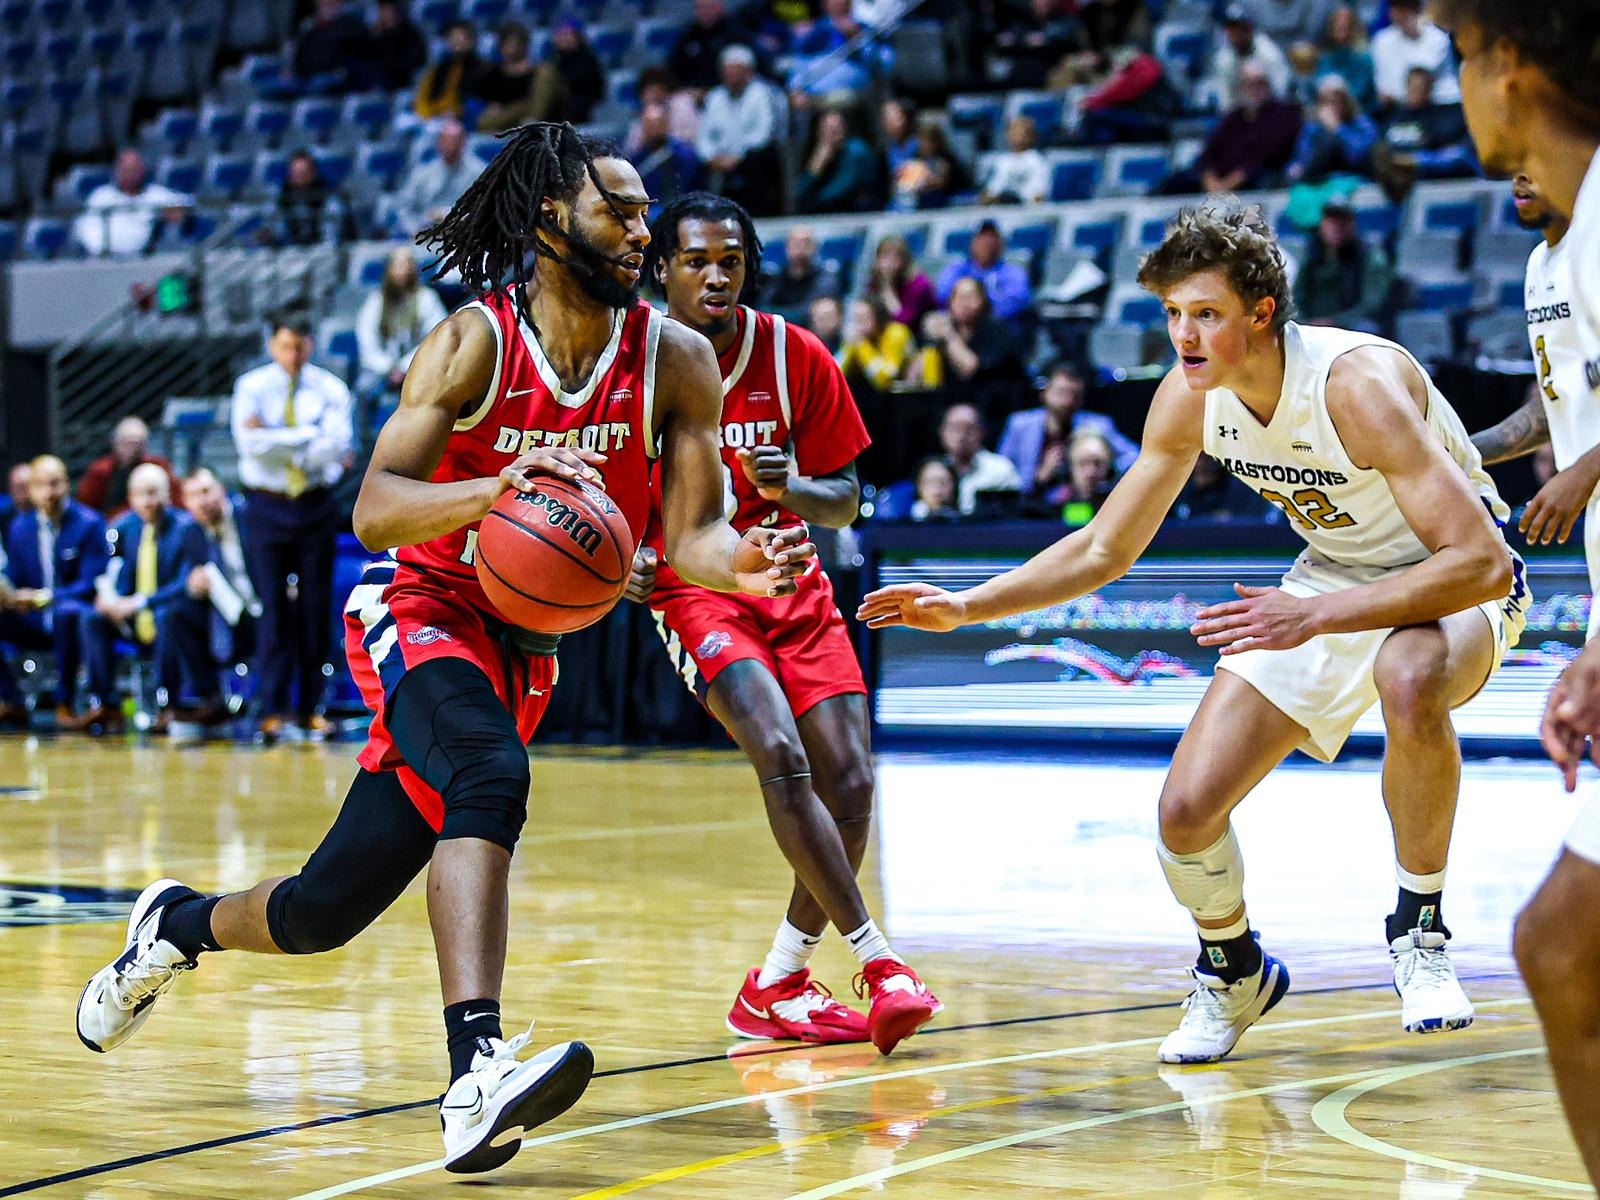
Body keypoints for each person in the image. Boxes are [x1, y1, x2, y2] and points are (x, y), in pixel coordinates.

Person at [76, 125, 818, 1175]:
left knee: (323, 911)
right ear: (554, 218)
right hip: (419, 599)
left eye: (649, 210)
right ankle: (475, 1075)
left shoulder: (676, 359)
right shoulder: (474, 343)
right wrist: (494, 489)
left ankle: (177, 927)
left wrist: (742, 566)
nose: (646, 231)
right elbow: (374, 511)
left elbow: (691, 537)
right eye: (624, 209)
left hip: (523, 645)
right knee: (488, 774)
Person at [860, 204, 1527, 1065]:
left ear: (1261, 310)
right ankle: (1235, 968)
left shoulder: (1350, 385)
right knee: (1185, 811)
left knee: (1408, 673)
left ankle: (1420, 931)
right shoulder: (1191, 395)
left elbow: (1476, 560)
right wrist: (967, 604)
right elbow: (1104, 545)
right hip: (1334, 574)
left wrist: (1312, 615)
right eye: (1172, 313)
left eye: (1204, 313)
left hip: (1452, 579)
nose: (1183, 334)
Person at [625, 191, 940, 1054]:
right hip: (699, 594)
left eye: (730, 260)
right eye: (696, 260)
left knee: (854, 783)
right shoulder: (633, 368)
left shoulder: (794, 353)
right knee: (783, 753)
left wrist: (790, 486)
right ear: (663, 270)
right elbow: (590, 490)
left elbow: (844, 498)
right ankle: (878, 962)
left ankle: (778, 982)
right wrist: (622, 562)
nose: (715, 275)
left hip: (796, 583)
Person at [1442, 9, 1600, 1179]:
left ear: (1508, 65)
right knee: (1560, 953)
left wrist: (1585, 473)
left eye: (1456, 55)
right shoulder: (1563, 257)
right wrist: (1459, 451)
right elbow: (1554, 413)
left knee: (1557, 950)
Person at [1472, 178, 1595, 621]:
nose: (1520, 177)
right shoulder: (1540, 264)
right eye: (1513, 165)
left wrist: (1583, 469)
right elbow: (1556, 401)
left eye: (1534, 158)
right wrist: (1458, 452)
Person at [229, 312, 354, 741]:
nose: (292, 355)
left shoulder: (331, 389)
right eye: (284, 346)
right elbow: (249, 446)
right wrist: (307, 436)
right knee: (274, 611)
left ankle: (309, 709)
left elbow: (337, 447)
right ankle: (273, 709)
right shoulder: (251, 387)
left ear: (311, 345)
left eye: (299, 346)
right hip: (266, 505)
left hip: (316, 504)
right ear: (272, 346)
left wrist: (277, 436)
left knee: (316, 610)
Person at [82, 464, 217, 733]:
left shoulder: (186, 527)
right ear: (130, 497)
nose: (147, 501)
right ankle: (106, 704)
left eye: (153, 493)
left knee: (168, 615)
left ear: (168, 494)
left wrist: (142, 601)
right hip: (133, 617)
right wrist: (109, 599)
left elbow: (184, 583)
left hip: (174, 616)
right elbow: (111, 572)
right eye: (140, 494)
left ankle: (169, 704)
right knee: (92, 619)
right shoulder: (123, 527)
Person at [0, 457, 107, 730]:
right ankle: (12, 700)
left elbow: (91, 582)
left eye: (55, 484)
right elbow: (15, 575)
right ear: (31, 490)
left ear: (67, 484)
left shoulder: (90, 523)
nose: (49, 492)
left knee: (66, 613)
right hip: (33, 619)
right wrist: (9, 594)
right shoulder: (19, 527)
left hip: (74, 615)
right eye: (41, 485)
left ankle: (65, 702)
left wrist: (46, 597)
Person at [1000, 362, 1138, 502]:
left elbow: (1133, 456)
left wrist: (1105, 470)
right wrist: (1040, 475)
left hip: (1086, 501)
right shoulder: (1019, 425)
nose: (1068, 400)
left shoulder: (1098, 424)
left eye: (1075, 394)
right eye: (1062, 392)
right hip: (1031, 505)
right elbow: (1003, 469)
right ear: (1044, 392)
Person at [1164, 63, 1301, 195]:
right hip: (1216, 182)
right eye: (1248, 84)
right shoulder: (1233, 117)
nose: (1254, 89)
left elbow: (1270, 156)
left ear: (1268, 84)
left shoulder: (1283, 116)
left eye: (1259, 83)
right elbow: (1208, 154)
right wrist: (1210, 179)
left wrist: (1230, 183)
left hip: (1254, 182)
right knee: (1174, 183)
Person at [914, 277, 1030, 419]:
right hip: (946, 410)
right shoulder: (942, 334)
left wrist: (948, 335)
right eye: (959, 297)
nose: (964, 303)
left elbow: (970, 369)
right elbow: (914, 377)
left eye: (970, 297)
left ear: (983, 302)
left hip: (990, 410)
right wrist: (930, 340)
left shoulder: (997, 331)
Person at [182, 468, 262, 673]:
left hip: (262, 608)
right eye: (193, 496)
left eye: (206, 491)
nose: (202, 501)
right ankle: (208, 695)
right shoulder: (191, 533)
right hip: (224, 618)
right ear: (185, 503)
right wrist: (193, 584)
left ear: (223, 490)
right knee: (175, 616)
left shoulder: (251, 517)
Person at [356, 249, 449, 411]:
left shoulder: (427, 298)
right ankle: (363, 436)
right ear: (389, 269)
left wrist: (404, 367)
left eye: (407, 263)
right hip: (382, 369)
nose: (403, 269)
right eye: (398, 264)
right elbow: (367, 342)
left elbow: (435, 337)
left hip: (419, 366)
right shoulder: (376, 301)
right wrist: (389, 367)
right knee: (362, 389)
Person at [695, 45, 783, 216]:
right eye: (727, 70)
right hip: (721, 158)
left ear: (748, 71)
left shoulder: (762, 93)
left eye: (736, 70)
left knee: (759, 160)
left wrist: (737, 157)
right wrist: (710, 156)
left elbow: (763, 133)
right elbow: (704, 136)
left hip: (750, 156)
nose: (730, 75)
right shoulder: (715, 97)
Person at [1372, 66, 1476, 200]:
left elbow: (1451, 155)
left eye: (1422, 87)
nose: (1417, 91)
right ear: (1407, 87)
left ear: (1430, 89)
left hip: (1424, 178)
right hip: (1390, 177)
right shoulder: (1392, 117)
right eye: (1414, 87)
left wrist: (1413, 161)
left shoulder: (1441, 118)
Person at [1293, 197, 1394, 329]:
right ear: (1322, 224)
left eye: (1342, 220)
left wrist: (1335, 322)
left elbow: (1372, 304)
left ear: (1352, 224)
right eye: (1331, 220)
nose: (1336, 226)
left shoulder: (1370, 256)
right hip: (1312, 325)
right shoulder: (1311, 256)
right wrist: (1303, 321)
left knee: (1367, 328)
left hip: (1351, 325)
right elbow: (1297, 298)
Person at [72, 149, 191, 258]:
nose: (130, 174)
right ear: (118, 171)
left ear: (142, 171)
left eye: (134, 170)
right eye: (126, 170)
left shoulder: (155, 195)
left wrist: (174, 213)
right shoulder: (101, 196)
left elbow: (184, 205)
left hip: (137, 259)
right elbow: (84, 226)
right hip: (101, 259)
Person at [393, 118, 484, 239]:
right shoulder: (423, 173)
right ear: (439, 142)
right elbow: (403, 206)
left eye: (455, 141)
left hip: (464, 237)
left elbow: (484, 208)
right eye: (447, 141)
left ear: (463, 142)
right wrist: (415, 229)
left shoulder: (479, 173)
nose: (451, 146)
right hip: (425, 236)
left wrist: (453, 217)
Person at [77, 416, 181, 518]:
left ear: (145, 445)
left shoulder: (158, 466)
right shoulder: (100, 471)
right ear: (115, 443)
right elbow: (86, 509)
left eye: (137, 443)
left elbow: (175, 502)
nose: (132, 449)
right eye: (126, 443)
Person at [1286, 75, 1377, 184]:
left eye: (1338, 101)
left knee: (1330, 140)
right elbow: (1299, 159)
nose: (1332, 107)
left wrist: (1337, 128)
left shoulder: (1363, 124)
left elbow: (1360, 157)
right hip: (1318, 181)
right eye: (1326, 102)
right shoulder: (1312, 128)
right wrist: (1294, 169)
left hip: (1354, 179)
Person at [472, 22, 562, 133]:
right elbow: (484, 93)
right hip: (509, 115)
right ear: (501, 47)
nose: (513, 48)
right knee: (485, 121)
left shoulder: (538, 72)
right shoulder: (494, 72)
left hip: (538, 114)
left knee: (545, 73)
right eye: (508, 44)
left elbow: (547, 99)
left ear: (525, 46)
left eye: (517, 44)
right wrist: (492, 104)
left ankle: (531, 126)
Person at [934, 221, 1032, 322]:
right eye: (982, 238)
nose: (986, 243)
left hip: (1000, 327)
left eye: (992, 238)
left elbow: (1017, 300)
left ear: (1000, 244)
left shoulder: (1013, 272)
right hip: (960, 325)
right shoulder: (957, 268)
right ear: (973, 242)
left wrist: (978, 309)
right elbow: (942, 296)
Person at [1370, 0, 1459, 110]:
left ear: (1417, 8)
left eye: (1405, 8)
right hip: (1400, 109)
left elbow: (1421, 78)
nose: (1399, 13)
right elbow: (1384, 89)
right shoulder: (1382, 40)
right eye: (1395, 8)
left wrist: (1415, 35)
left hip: (1442, 104)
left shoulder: (1438, 36)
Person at [936, 402, 1022, 514]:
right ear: (942, 432)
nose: (961, 435)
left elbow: (1015, 516)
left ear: (981, 431)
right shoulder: (935, 471)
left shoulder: (1001, 469)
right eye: (955, 427)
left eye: (968, 428)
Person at [795, 108, 881, 215]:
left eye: (837, 130)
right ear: (818, 132)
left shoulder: (856, 150)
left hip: (856, 214)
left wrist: (811, 202)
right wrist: (815, 168)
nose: (832, 135)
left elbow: (840, 190)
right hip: (825, 215)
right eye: (827, 130)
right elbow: (799, 193)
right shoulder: (814, 152)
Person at [760, 227, 842, 328]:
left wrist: (779, 316)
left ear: (814, 248)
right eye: (795, 243)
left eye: (805, 243)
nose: (800, 248)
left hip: (809, 331)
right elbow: (762, 308)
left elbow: (810, 312)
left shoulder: (825, 278)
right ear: (787, 248)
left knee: (825, 310)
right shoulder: (776, 277)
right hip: (778, 331)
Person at [1212, 5, 1291, 109]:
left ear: (1249, 29)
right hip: (1240, 115)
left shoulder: (1269, 53)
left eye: (1240, 28)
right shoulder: (1223, 59)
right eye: (1232, 29)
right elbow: (1226, 101)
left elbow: (1280, 93)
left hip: (1270, 113)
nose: (1236, 33)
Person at [629, 102, 703, 207]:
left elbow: (685, 188)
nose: (652, 130)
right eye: (648, 125)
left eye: (656, 124)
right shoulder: (639, 156)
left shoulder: (683, 154)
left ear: (666, 125)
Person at [268, 151, 349, 246]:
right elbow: (276, 228)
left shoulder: (329, 197)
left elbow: (332, 235)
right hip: (292, 250)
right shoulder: (283, 197)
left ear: (313, 173)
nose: (299, 177)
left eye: (303, 173)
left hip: (322, 249)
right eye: (295, 173)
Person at [291, 0, 373, 94]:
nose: (326, 3)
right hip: (307, 76)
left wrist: (345, 70)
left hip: (338, 78)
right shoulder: (309, 29)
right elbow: (301, 59)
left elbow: (361, 56)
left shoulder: (350, 26)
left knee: (317, 83)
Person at [838, 296, 916, 392]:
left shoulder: (896, 332)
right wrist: (849, 346)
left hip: (906, 395)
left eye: (862, 317)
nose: (857, 324)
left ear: (878, 316)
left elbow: (884, 380)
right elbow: (838, 372)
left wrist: (862, 344)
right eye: (855, 319)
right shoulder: (857, 337)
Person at [865, 234, 936, 333]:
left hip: (918, 336)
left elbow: (904, 323)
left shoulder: (918, 284)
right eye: (884, 257)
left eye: (895, 258)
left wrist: (887, 290)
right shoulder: (875, 281)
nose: (889, 263)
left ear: (905, 260)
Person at [414, 20, 481, 121]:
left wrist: (455, 112)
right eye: (452, 37)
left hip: (458, 118)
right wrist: (425, 114)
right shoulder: (438, 68)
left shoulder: (481, 69)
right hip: (431, 115)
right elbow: (423, 95)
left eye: (460, 37)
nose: (456, 41)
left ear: (471, 41)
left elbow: (473, 102)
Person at [980, 115, 1050, 206]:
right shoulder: (1002, 161)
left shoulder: (1038, 161)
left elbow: (1040, 195)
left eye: (1022, 132)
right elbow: (990, 192)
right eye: (1014, 132)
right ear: (1008, 135)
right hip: (1000, 208)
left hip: (1026, 209)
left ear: (1032, 136)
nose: (1018, 136)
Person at [1316, 4, 1375, 111]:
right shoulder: (1324, 58)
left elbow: (1359, 93)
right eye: (1338, 22)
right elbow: (1316, 87)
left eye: (1346, 23)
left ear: (1354, 27)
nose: (1342, 25)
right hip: (1327, 111)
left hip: (1357, 114)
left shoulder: (1363, 58)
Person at [367, 0, 427, 91]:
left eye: (389, 11)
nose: (386, 15)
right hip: (378, 77)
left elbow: (413, 60)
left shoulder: (410, 34)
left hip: (399, 79)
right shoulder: (377, 34)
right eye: (383, 11)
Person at [908, 456, 958, 521]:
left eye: (943, 482)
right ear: (919, 486)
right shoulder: (903, 520)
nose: (937, 487)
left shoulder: (965, 522)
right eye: (931, 481)